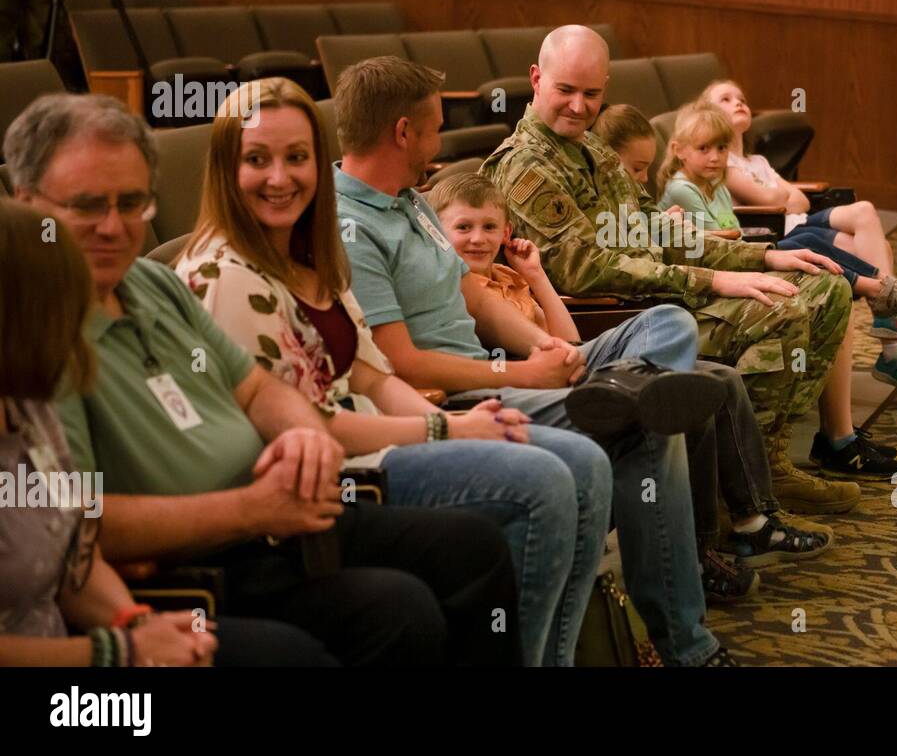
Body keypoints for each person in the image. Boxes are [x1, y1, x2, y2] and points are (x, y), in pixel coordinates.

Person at [5, 92, 523, 667]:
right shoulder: (36, 339)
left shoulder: (154, 286)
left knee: (470, 551)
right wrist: (250, 508)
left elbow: (259, 389)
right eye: (87, 205)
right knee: (382, 616)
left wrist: (302, 433)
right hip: (201, 560)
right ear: (26, 203)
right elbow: (82, 521)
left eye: (132, 203)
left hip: (277, 521)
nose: (113, 226)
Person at [172, 77, 605, 667]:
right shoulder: (224, 276)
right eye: (257, 160)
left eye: (297, 157)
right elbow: (311, 427)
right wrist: (446, 432)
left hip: (387, 432)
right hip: (343, 472)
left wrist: (457, 423)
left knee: (584, 460)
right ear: (226, 168)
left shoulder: (310, 256)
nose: (281, 178)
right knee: (545, 481)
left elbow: (374, 377)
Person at [330, 55, 735, 666]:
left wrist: (536, 343)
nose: (441, 142)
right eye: (436, 128)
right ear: (403, 133)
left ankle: (624, 387)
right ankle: (686, 646)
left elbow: (466, 292)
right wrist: (520, 372)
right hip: (454, 398)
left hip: (506, 366)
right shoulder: (350, 228)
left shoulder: (409, 202)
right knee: (649, 431)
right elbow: (400, 365)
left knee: (666, 322)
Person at [482, 26, 897, 510]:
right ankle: (748, 481)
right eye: (565, 90)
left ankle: (768, 459)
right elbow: (584, 271)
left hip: (662, 295)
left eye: (591, 94)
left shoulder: (590, 149)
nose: (578, 106)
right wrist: (717, 279)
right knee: (781, 310)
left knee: (826, 286)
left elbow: (655, 228)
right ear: (536, 78)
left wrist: (763, 255)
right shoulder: (525, 166)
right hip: (620, 321)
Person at [429, 171, 835, 601]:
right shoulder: (453, 287)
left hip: (574, 368)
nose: (477, 238)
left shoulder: (509, 277)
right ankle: (693, 556)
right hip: (531, 385)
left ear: (506, 231)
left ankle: (753, 523)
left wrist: (535, 276)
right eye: (463, 228)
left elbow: (568, 341)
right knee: (675, 393)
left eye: (489, 227)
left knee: (719, 377)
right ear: (437, 232)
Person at [0, 198, 223, 667]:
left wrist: (139, 623)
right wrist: (119, 650)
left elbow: (72, 568)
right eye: (58, 309)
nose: (75, 327)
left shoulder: (30, 410)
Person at [657, 103, 897, 478]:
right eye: (704, 149)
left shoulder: (714, 185)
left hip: (742, 256)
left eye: (721, 149)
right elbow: (708, 244)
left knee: (826, 270)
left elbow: (738, 228)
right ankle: (879, 293)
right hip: (717, 275)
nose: (715, 158)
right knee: (819, 275)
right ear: (679, 149)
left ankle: (839, 435)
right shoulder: (683, 190)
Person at [701, 78, 897, 396]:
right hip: (784, 233)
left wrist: (780, 195)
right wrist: (781, 195)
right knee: (876, 248)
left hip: (802, 222)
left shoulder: (756, 161)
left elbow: (798, 201)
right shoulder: (722, 164)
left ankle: (891, 321)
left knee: (865, 212)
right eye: (726, 99)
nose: (739, 103)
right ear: (706, 115)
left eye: (742, 98)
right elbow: (778, 202)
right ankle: (893, 348)